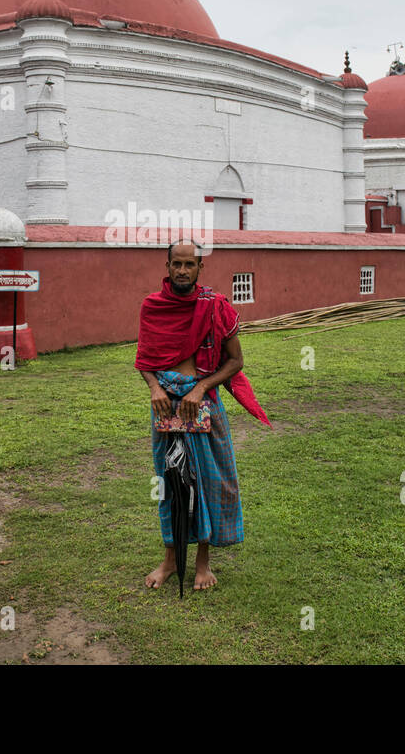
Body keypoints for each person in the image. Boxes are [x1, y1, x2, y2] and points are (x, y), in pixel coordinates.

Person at [135, 239, 270, 592]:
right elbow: (145, 361)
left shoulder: (215, 306)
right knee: (172, 483)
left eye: (189, 264)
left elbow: (236, 361)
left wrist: (199, 388)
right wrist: (154, 388)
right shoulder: (153, 307)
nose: (182, 270)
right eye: (176, 264)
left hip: (204, 402)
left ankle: (203, 562)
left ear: (200, 268)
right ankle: (169, 559)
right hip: (166, 406)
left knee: (210, 483)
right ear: (167, 266)